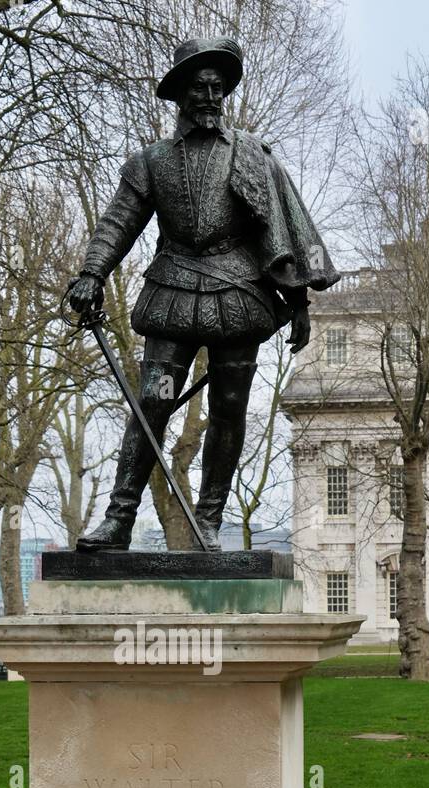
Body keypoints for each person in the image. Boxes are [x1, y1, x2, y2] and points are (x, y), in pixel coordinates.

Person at [68, 34, 339, 552]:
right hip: (172, 293)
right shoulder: (150, 162)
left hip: (238, 297)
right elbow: (118, 222)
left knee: (229, 407)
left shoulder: (253, 155)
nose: (211, 96)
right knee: (153, 401)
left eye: (218, 87)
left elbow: (286, 225)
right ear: (180, 95)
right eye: (200, 87)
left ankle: (209, 518)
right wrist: (92, 272)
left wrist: (301, 302)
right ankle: (120, 519)